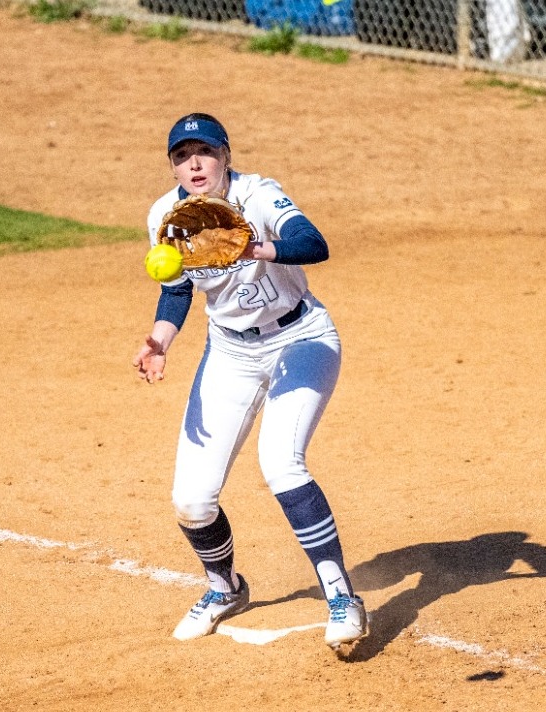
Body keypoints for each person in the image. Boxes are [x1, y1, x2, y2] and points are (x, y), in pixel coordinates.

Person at [132, 113, 368, 651]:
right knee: (191, 499)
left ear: (226, 156)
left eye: (205, 153)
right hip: (231, 353)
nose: (194, 164)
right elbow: (177, 290)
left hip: (301, 338)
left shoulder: (259, 195)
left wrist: (255, 248)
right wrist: (159, 342)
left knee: (281, 464)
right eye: (181, 156)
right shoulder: (165, 217)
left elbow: (314, 243)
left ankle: (342, 597)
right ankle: (225, 588)